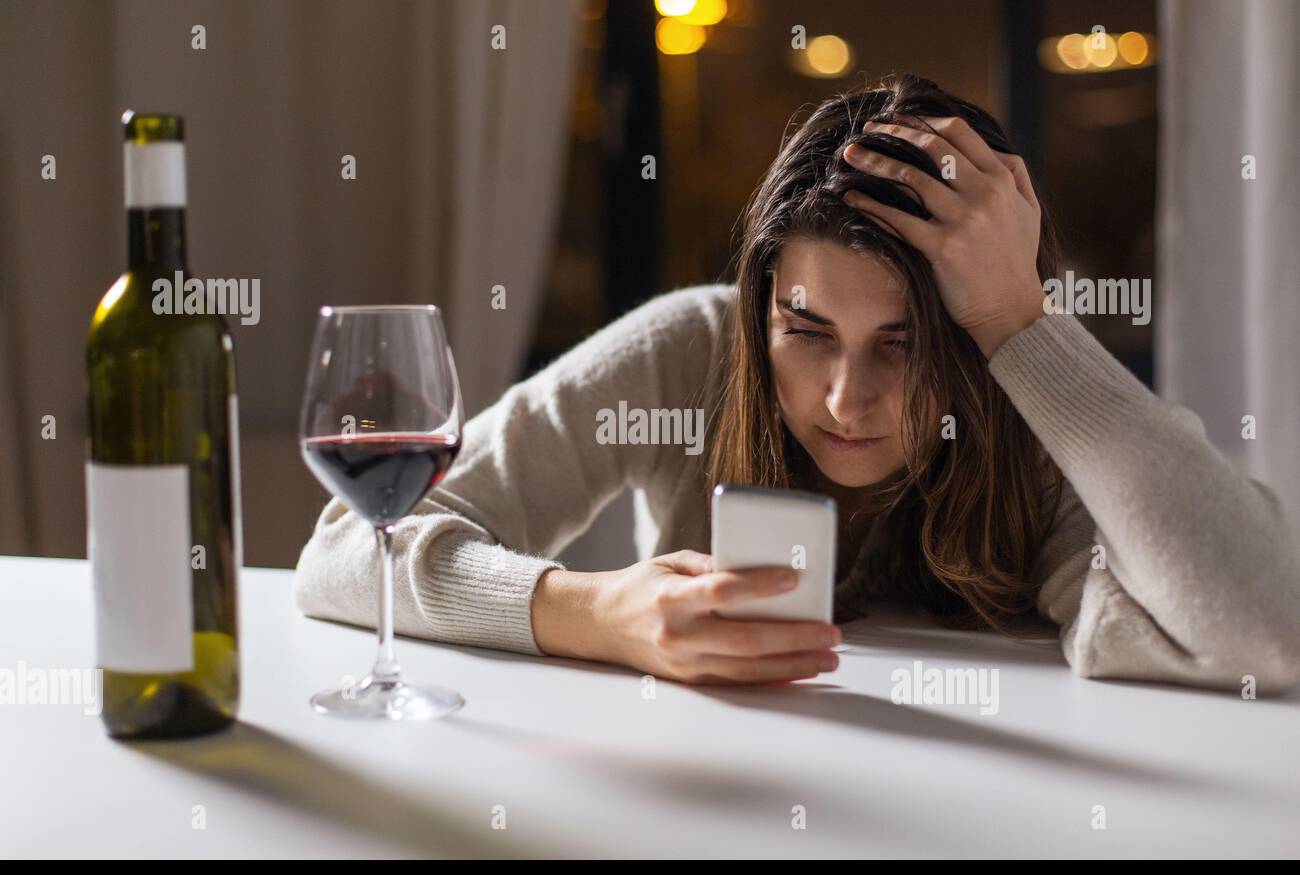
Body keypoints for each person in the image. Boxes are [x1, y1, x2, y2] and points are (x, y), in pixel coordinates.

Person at [293, 74, 1300, 694]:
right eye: (806, 332)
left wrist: (1020, 326)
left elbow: (1266, 625)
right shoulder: (689, 348)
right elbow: (343, 555)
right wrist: (595, 613)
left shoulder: (1026, 391)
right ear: (760, 304)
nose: (844, 400)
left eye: (902, 346)